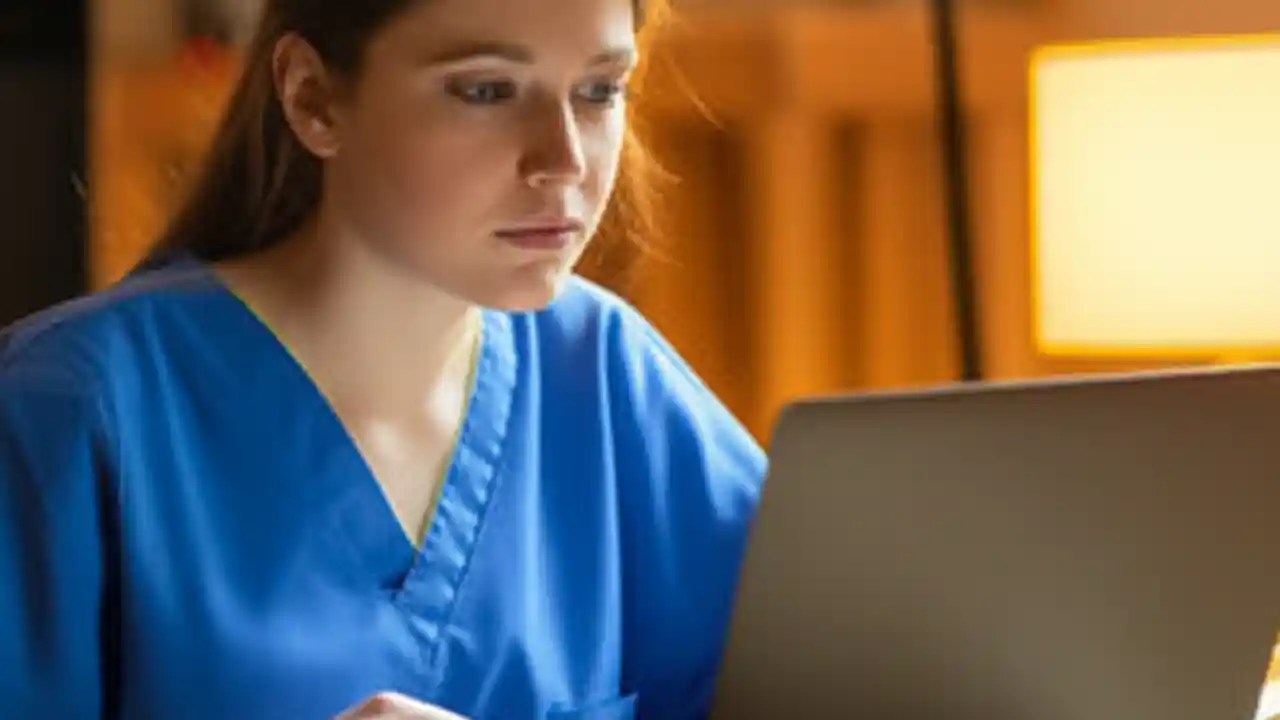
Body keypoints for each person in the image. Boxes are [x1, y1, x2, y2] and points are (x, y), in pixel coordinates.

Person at [0, 0, 766, 718]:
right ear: (313, 99)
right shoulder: (69, 410)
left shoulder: (607, 376)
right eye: (489, 90)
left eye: (600, 92)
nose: (562, 159)